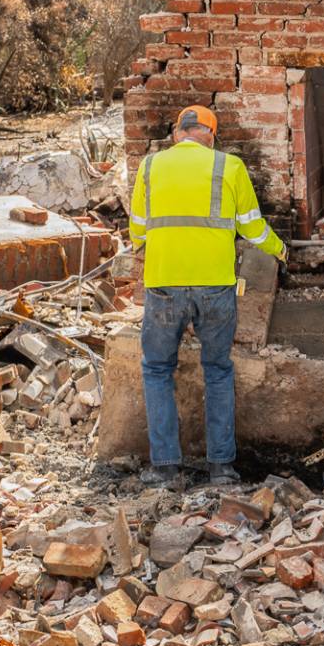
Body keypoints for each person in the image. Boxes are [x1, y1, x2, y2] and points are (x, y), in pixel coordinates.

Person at [129, 105, 285, 486]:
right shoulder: (228, 167)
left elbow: (137, 230)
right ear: (211, 136)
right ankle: (221, 468)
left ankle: (166, 468)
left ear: (178, 133)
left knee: (156, 370)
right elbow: (252, 227)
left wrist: (152, 247)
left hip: (163, 283)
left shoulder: (149, 167)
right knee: (217, 370)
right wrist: (280, 249)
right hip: (215, 285)